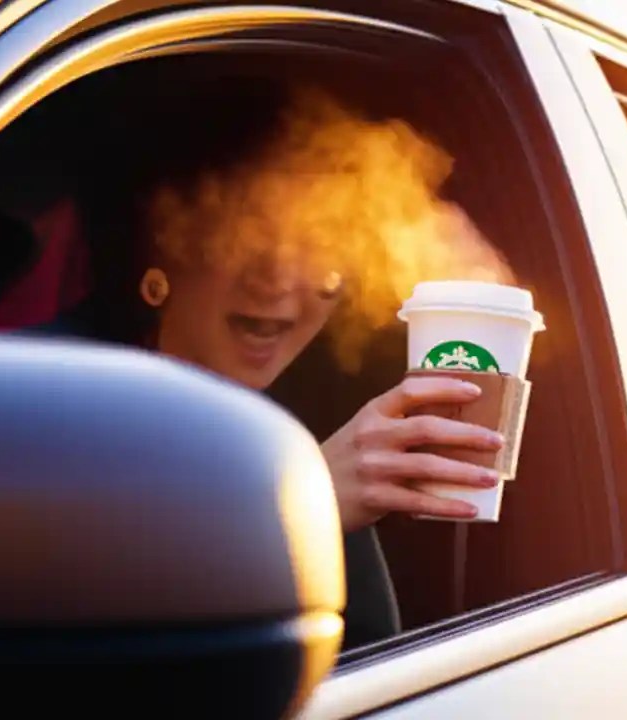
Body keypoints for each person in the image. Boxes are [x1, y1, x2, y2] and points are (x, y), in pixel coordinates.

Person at [43, 81, 511, 648]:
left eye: (321, 236)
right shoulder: (37, 399)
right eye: (248, 228)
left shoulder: (309, 433)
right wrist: (295, 509)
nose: (280, 277)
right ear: (162, 236)